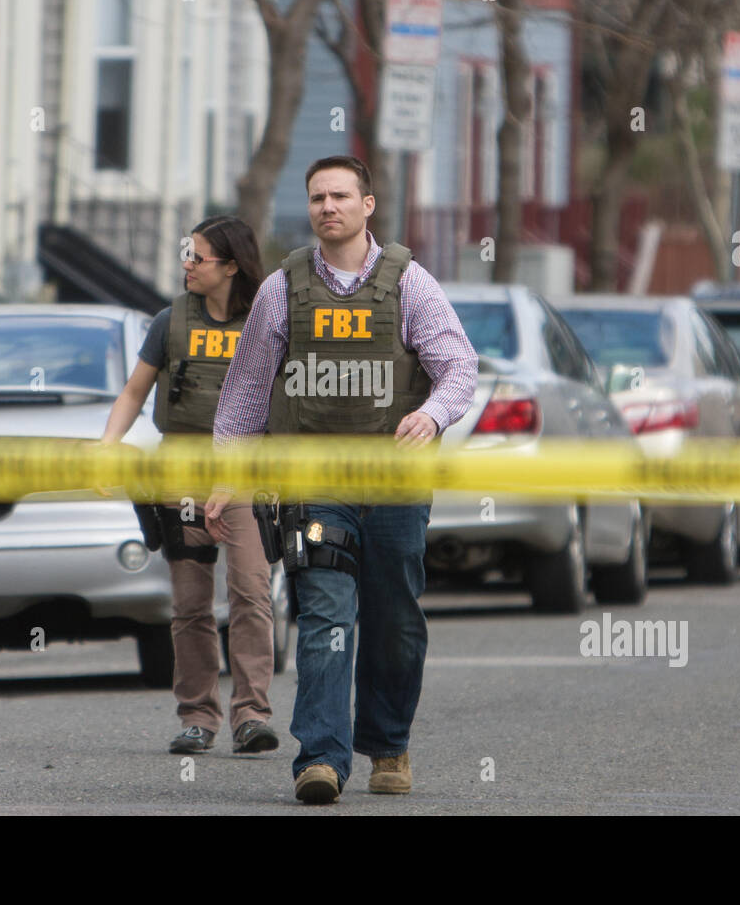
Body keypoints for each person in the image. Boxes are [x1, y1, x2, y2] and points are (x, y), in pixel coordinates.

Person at [205, 156, 478, 804]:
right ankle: (320, 758)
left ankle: (388, 745)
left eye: (340, 196)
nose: (328, 206)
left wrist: (431, 414)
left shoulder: (409, 283)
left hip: (394, 485)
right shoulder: (283, 288)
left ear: (367, 205)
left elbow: (458, 368)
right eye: (317, 197)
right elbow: (246, 389)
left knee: (394, 618)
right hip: (315, 484)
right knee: (325, 611)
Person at [100, 215, 279, 756]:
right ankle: (198, 716)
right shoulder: (170, 320)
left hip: (246, 470)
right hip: (182, 469)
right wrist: (109, 445)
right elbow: (134, 392)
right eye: (186, 254)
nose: (187, 265)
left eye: (197, 257)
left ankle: (252, 715)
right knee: (190, 603)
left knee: (251, 591)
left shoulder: (268, 322)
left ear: (229, 265)